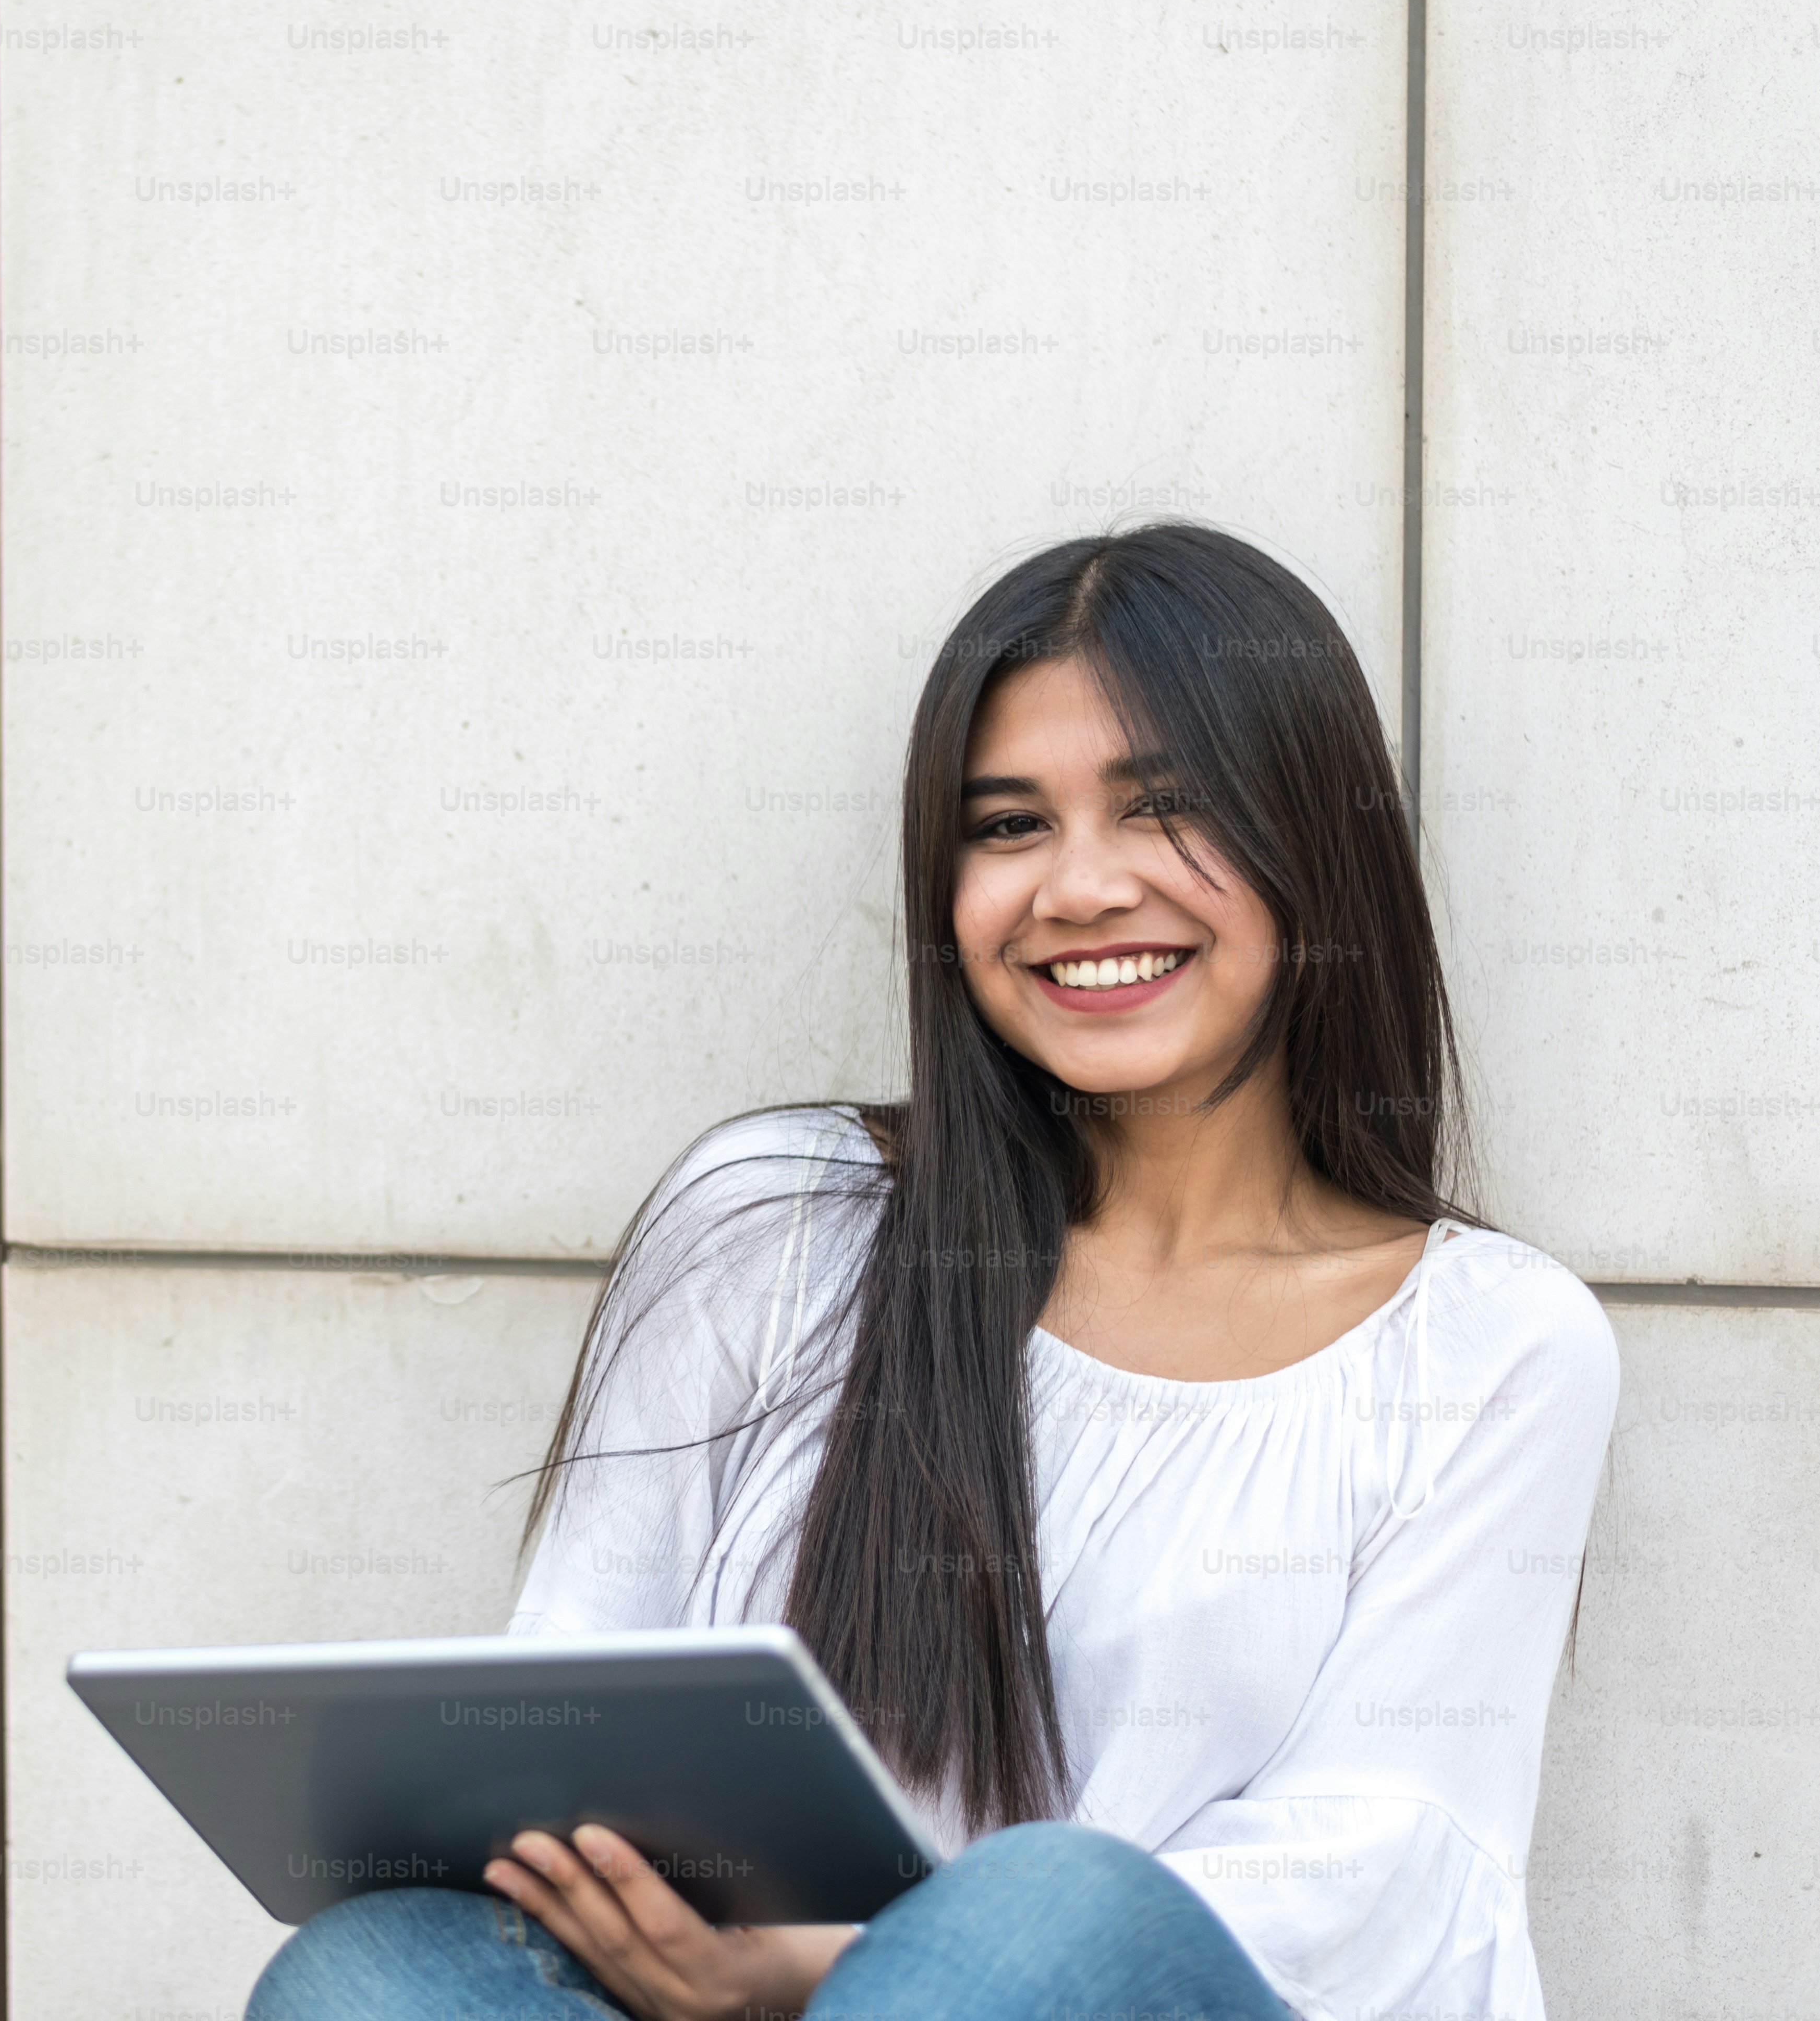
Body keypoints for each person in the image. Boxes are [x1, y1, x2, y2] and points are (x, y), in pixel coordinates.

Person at [247, 523, 1618, 2021]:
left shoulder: (1487, 1344)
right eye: (1010, 826)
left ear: (1314, 842)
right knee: (373, 1972)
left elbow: (1376, 1879)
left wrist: (832, 1964)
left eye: (1164, 808)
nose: (1077, 889)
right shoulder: (774, 1222)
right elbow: (576, 1705)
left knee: (1048, 1914)